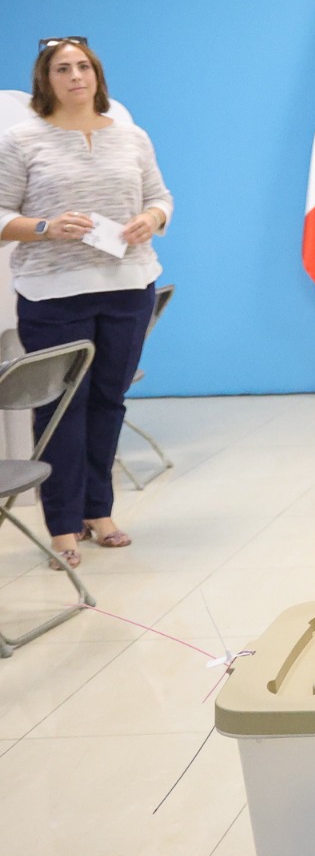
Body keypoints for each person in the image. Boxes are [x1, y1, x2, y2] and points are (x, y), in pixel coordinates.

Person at [0, 37, 172, 571]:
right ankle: (62, 527)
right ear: (45, 79)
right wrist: (46, 227)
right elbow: (2, 217)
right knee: (60, 409)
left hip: (128, 286)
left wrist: (155, 220)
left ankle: (100, 512)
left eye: (83, 67)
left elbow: (160, 198)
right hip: (53, 295)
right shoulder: (21, 140)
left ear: (96, 75)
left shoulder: (131, 136)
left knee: (108, 401)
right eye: (62, 69)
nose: (75, 76)